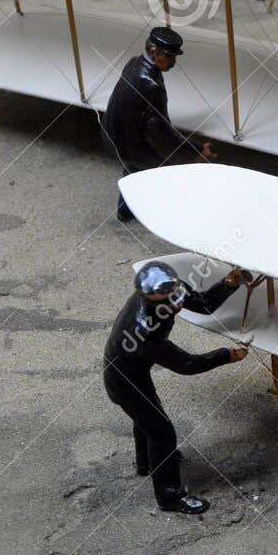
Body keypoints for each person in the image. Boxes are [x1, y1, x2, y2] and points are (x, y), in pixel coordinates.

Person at [103, 261, 250, 515]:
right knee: (161, 432)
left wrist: (230, 283)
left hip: (134, 368)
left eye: (176, 296)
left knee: (147, 418)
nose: (178, 304)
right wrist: (227, 355)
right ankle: (169, 496)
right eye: (169, 302)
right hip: (122, 379)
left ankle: (147, 463)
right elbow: (186, 364)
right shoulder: (144, 330)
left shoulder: (172, 290)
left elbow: (203, 304)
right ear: (148, 297)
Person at [100, 27, 211, 222]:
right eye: (170, 57)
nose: (174, 63)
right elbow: (160, 132)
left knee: (134, 169)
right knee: (163, 172)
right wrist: (194, 150)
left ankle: (125, 210)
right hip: (129, 143)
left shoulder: (134, 63)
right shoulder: (150, 85)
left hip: (113, 134)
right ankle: (155, 215)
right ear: (153, 52)